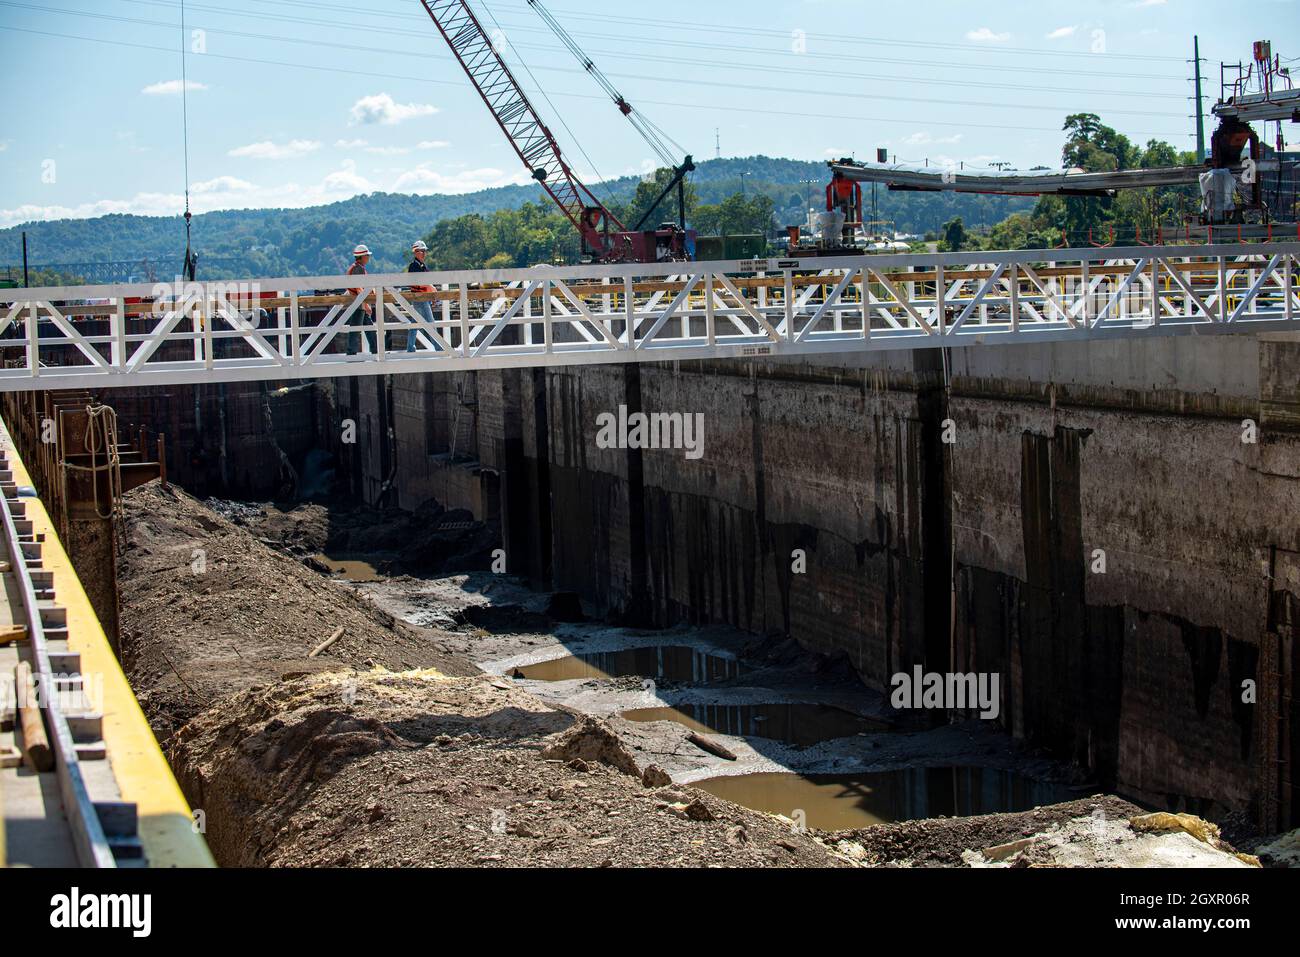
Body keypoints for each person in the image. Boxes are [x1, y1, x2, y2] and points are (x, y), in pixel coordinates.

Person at [346, 244, 375, 356]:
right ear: (362, 256)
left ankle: (375, 349)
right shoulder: (358, 269)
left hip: (358, 302)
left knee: (368, 328)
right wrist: (365, 304)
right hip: (358, 304)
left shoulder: (357, 267)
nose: (368, 257)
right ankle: (351, 352)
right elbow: (359, 288)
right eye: (367, 255)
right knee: (356, 329)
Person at [406, 240, 435, 353]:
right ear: (416, 252)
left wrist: (432, 291)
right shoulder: (414, 266)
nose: (424, 253)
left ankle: (410, 347)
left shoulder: (421, 265)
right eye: (422, 251)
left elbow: (427, 282)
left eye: (424, 251)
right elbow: (420, 282)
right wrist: (431, 289)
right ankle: (438, 348)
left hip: (423, 298)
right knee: (431, 323)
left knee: (415, 324)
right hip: (420, 299)